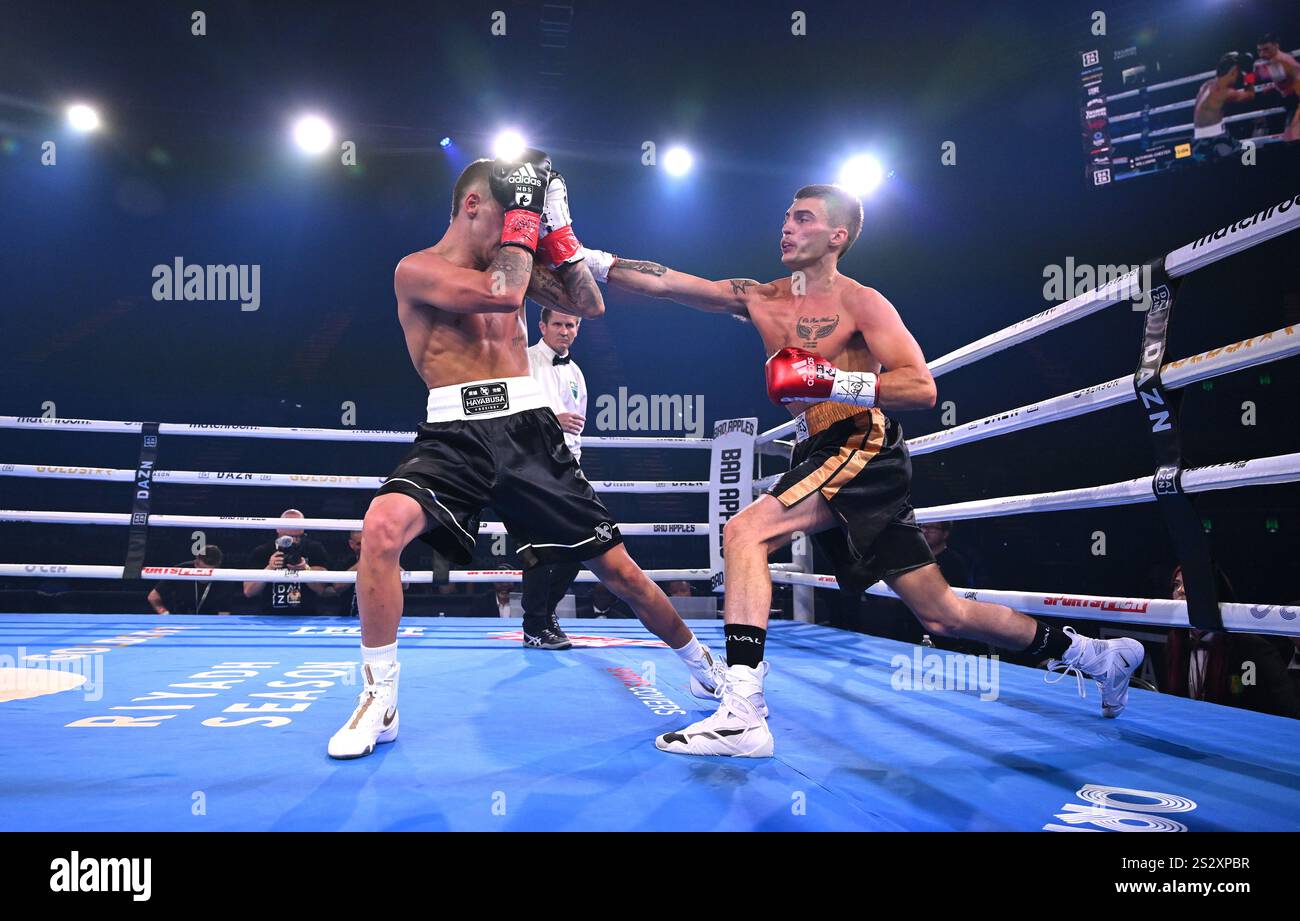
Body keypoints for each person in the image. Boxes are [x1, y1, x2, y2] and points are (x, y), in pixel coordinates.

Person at [583, 183, 1145, 758]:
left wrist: (832, 380)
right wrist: (588, 260)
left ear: (837, 236)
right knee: (942, 612)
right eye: (785, 216)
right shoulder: (760, 295)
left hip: (861, 442)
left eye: (802, 218)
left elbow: (921, 387)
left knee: (745, 531)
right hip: (819, 449)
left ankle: (744, 712)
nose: (786, 226)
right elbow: (669, 282)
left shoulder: (862, 303)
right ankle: (1097, 656)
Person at [327, 151, 726, 759]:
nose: (524, 227)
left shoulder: (512, 261)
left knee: (618, 571)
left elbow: (587, 304)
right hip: (454, 433)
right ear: (472, 206)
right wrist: (525, 216)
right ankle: (378, 697)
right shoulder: (417, 269)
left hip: (528, 427)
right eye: (514, 215)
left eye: (530, 219)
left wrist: (558, 228)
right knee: (381, 528)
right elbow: (502, 291)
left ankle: (702, 663)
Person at [517, 307, 589, 649]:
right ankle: (535, 625)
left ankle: (546, 613)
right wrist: (551, 420)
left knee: (583, 546)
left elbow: (577, 428)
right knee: (540, 548)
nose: (564, 330)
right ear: (542, 325)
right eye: (558, 324)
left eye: (571, 325)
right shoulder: (523, 360)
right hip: (531, 465)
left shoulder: (576, 372)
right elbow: (508, 415)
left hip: (568, 467)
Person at [243, 510, 333, 615]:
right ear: (278, 529)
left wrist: (306, 569)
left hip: (306, 615)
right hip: (269, 615)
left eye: (298, 536)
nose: (293, 541)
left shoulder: (314, 549)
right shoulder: (262, 551)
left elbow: (321, 589)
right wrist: (269, 569)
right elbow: (248, 591)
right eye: (288, 537)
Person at [1192, 52, 1258, 159]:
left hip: (1198, 139)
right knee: (1249, 154)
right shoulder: (1226, 92)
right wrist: (1249, 73)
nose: (1239, 75)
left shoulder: (1206, 84)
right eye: (1238, 72)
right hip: (1214, 140)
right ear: (1233, 72)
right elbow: (1250, 95)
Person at [146, 544, 231, 615]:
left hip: (209, 622)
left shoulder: (223, 577)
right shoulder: (180, 571)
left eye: (210, 571)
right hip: (180, 619)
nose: (205, 574)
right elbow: (153, 596)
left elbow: (224, 609)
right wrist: (165, 614)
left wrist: (221, 625)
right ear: (196, 563)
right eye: (202, 569)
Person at [1256, 33, 1300, 141]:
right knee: (1290, 139)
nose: (1262, 54)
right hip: (1289, 101)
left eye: (1266, 49)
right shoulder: (1271, 62)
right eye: (1259, 50)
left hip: (1296, 100)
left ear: (1276, 46)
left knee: (1292, 138)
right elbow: (1284, 80)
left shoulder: (1286, 62)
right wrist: (1274, 86)